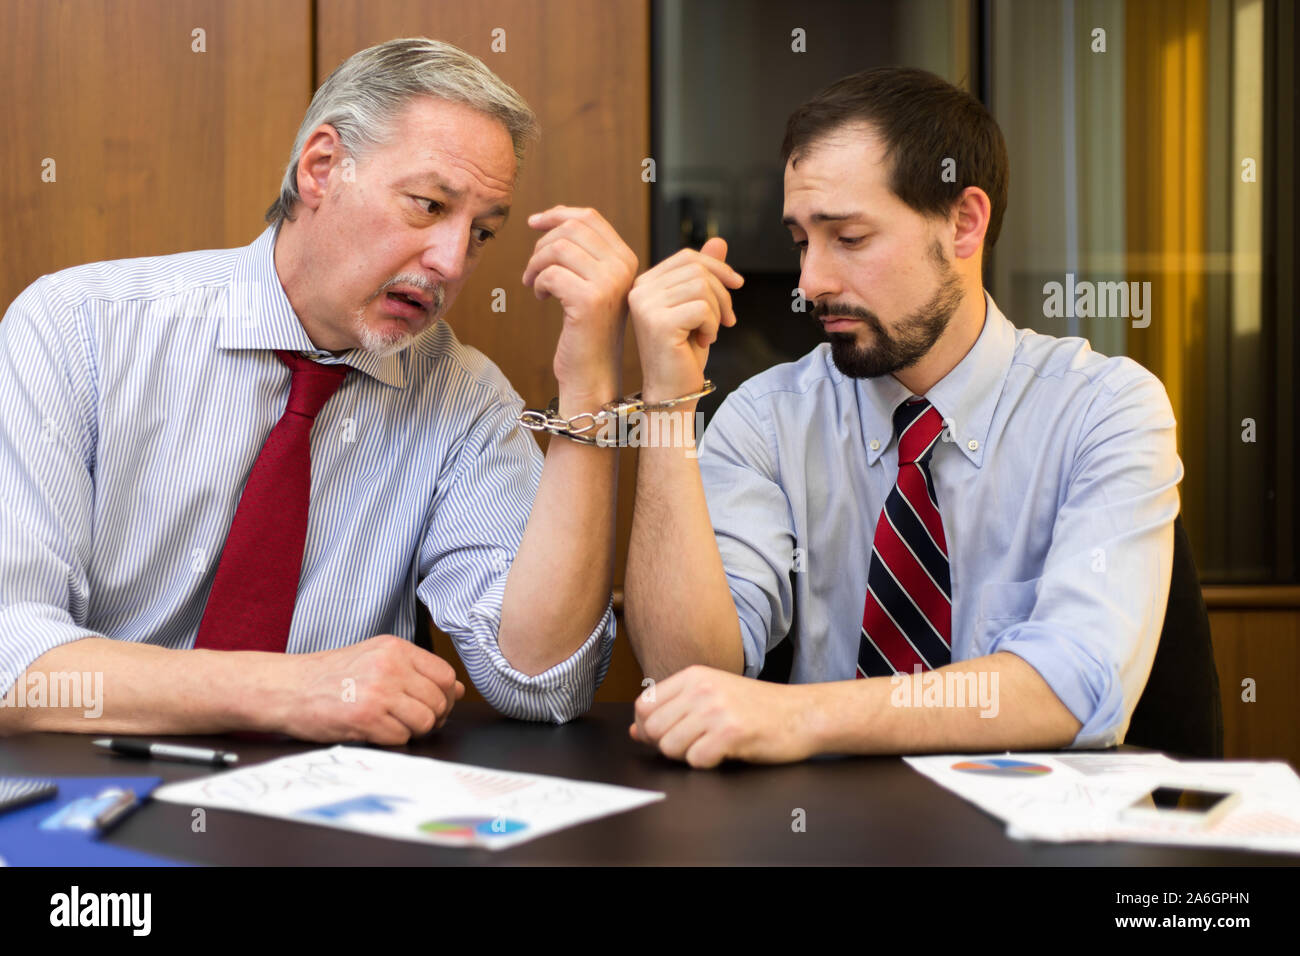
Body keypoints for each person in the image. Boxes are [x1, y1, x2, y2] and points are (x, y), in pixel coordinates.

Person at [0, 38, 637, 743]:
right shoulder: (78, 328)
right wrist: (287, 689)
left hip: (323, 819)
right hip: (91, 802)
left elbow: (543, 683)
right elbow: (10, 658)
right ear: (322, 167)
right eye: (428, 206)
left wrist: (588, 388)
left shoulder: (464, 398)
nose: (452, 262)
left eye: (482, 233)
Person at [623, 67, 1183, 768]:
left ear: (964, 224)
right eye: (801, 241)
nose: (810, 283)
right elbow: (684, 679)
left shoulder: (1103, 409)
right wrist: (667, 402)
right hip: (817, 833)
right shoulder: (766, 422)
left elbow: (1075, 685)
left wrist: (802, 715)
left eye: (849, 238)